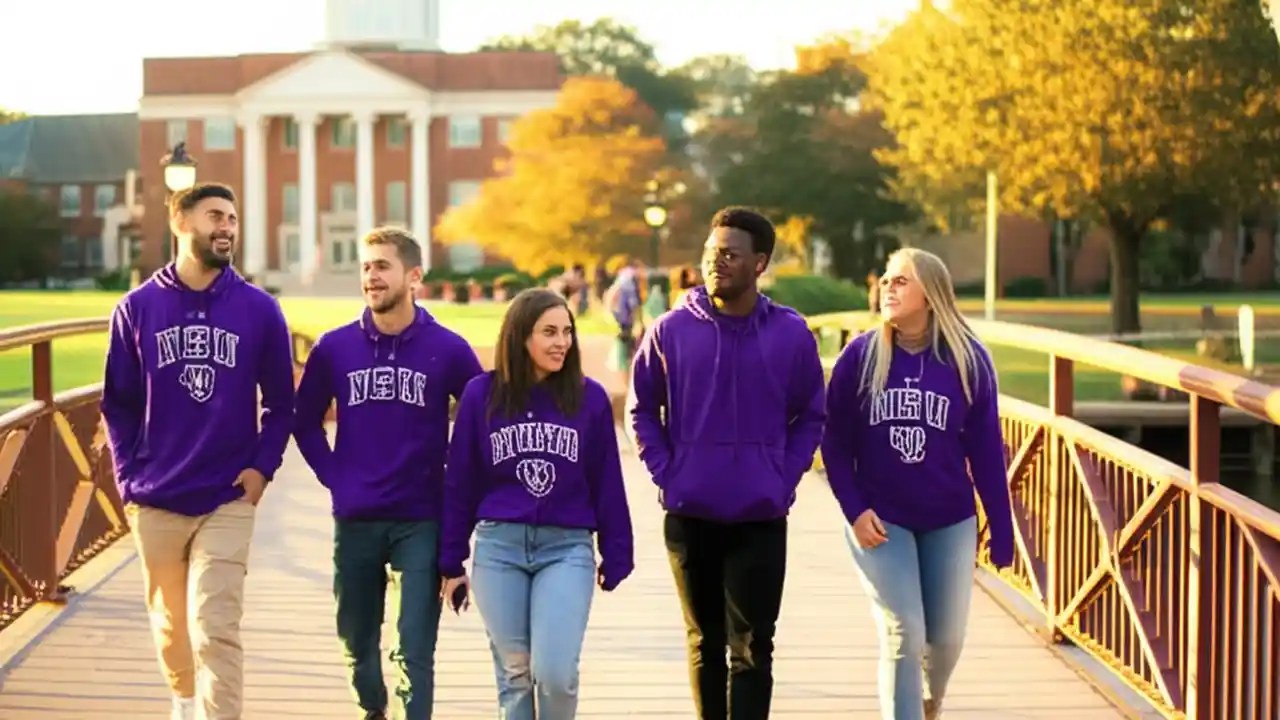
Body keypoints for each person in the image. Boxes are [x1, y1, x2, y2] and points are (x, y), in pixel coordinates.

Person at [100, 182, 295, 720]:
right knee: (171, 624)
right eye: (214, 216)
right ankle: (184, 702)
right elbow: (117, 404)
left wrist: (262, 468)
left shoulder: (260, 310)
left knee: (216, 624)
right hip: (157, 494)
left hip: (227, 494)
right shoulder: (137, 308)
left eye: (232, 218)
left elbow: (283, 405)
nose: (226, 227)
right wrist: (127, 477)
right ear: (180, 223)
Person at [625, 206, 827, 720]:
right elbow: (641, 408)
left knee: (754, 647)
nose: (717, 263)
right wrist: (668, 473)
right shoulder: (671, 329)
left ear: (760, 264)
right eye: (712, 253)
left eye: (731, 255)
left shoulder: (790, 333)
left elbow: (811, 413)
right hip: (690, 512)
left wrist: (784, 476)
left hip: (760, 514)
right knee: (705, 643)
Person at [293, 227, 483, 720]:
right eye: (366, 267)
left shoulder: (448, 348)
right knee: (356, 642)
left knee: (413, 648)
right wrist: (334, 475)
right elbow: (303, 420)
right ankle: (371, 708)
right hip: (355, 517)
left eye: (382, 266)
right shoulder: (335, 348)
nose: (371, 276)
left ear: (413, 276)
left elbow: (484, 418)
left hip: (421, 518)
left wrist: (455, 476)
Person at [820, 247, 1014, 720]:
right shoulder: (860, 357)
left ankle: (929, 699)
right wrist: (855, 510)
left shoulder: (968, 360)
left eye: (901, 280)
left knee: (945, 639)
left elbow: (987, 452)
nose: (888, 287)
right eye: (886, 279)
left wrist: (1003, 529)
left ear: (931, 294)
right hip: (880, 519)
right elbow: (834, 443)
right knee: (903, 631)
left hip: (949, 518)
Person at [439, 288, 635, 720]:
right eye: (549, 332)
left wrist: (617, 550)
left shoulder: (589, 398)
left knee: (554, 673)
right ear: (520, 336)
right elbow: (460, 482)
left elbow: (606, 479)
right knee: (514, 675)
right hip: (499, 549)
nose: (562, 342)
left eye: (567, 332)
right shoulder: (481, 395)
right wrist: (451, 561)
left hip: (566, 549)